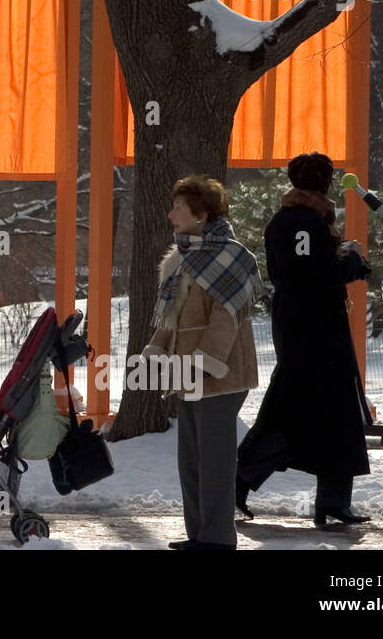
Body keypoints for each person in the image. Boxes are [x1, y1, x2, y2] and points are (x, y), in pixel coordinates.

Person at [235, 152, 373, 527]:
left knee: (299, 407)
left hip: (295, 325)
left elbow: (295, 272)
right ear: (325, 183)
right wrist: (354, 262)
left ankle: (247, 480)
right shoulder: (310, 222)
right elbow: (320, 276)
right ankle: (329, 499)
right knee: (321, 410)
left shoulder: (284, 220)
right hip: (319, 329)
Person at [143, 175, 260, 551]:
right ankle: (199, 534)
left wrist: (202, 363)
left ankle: (219, 537)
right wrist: (156, 349)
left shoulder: (231, 256)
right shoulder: (181, 259)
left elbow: (226, 318)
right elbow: (171, 316)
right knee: (191, 458)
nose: (170, 214)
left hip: (220, 376)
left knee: (215, 460)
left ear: (202, 214)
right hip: (188, 373)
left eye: (179, 207)